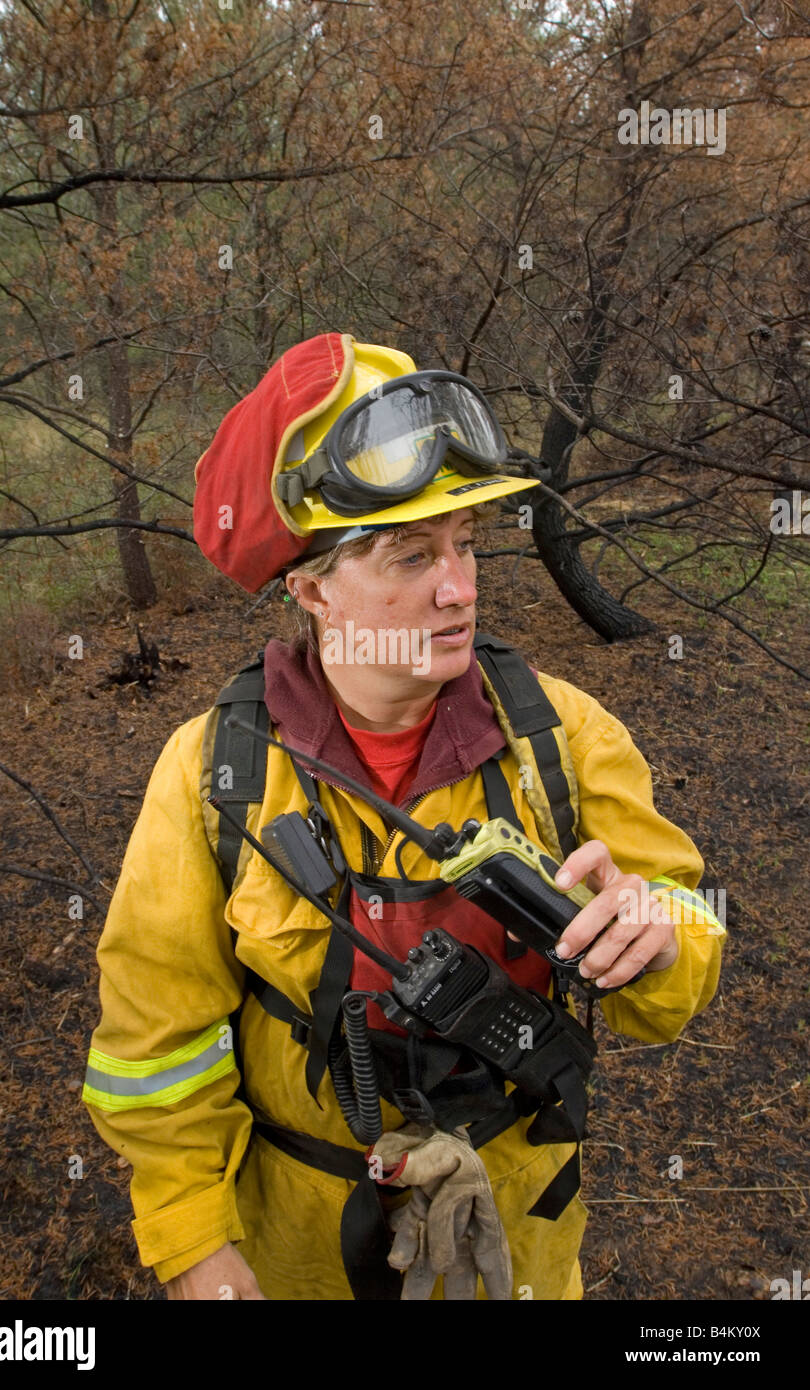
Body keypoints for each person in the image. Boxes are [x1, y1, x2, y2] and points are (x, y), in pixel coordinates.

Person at [82, 333, 726, 1301]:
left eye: (465, 544)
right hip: (296, 1251)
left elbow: (684, 918)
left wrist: (661, 938)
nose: (459, 587)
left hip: (518, 1241)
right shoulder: (216, 775)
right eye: (408, 555)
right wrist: (192, 1243)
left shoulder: (562, 737)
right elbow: (154, 1044)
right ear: (310, 590)